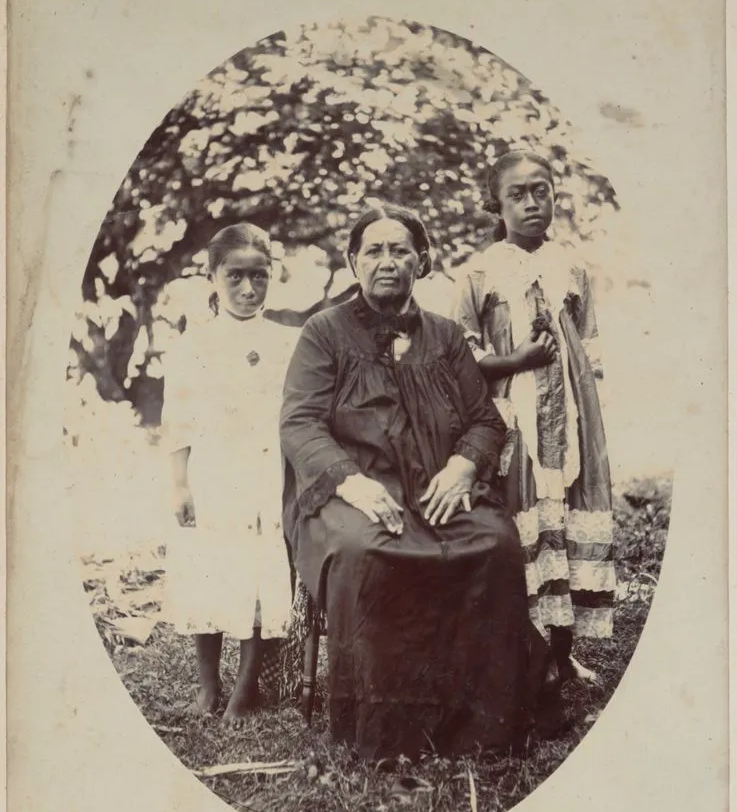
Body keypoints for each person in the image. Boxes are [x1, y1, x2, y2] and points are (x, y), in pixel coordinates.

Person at [280, 203, 563, 761]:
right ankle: (389, 732)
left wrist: (462, 468)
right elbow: (300, 423)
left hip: (439, 486)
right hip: (352, 492)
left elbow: (484, 418)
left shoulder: (446, 335)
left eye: (400, 250)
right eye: (374, 251)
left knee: (494, 543)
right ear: (353, 262)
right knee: (367, 552)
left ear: (423, 261)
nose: (387, 262)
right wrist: (350, 482)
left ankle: (483, 726)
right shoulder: (324, 332)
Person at [452, 151, 616, 683]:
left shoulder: (571, 267)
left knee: (565, 522)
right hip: (511, 418)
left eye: (540, 191)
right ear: (496, 205)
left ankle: (562, 654)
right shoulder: (480, 272)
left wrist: (587, 417)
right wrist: (517, 361)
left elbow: (586, 347)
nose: (531, 203)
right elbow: (463, 353)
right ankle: (522, 655)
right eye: (517, 195)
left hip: (568, 419)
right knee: (522, 527)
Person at [162, 222, 295, 726]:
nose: (247, 289)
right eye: (235, 276)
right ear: (212, 275)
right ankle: (208, 683)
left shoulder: (288, 342)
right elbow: (177, 418)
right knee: (208, 570)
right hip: (213, 474)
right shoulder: (192, 344)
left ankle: (244, 689)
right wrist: (179, 484)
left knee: (256, 575)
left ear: (271, 277)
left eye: (258, 277)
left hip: (264, 474)